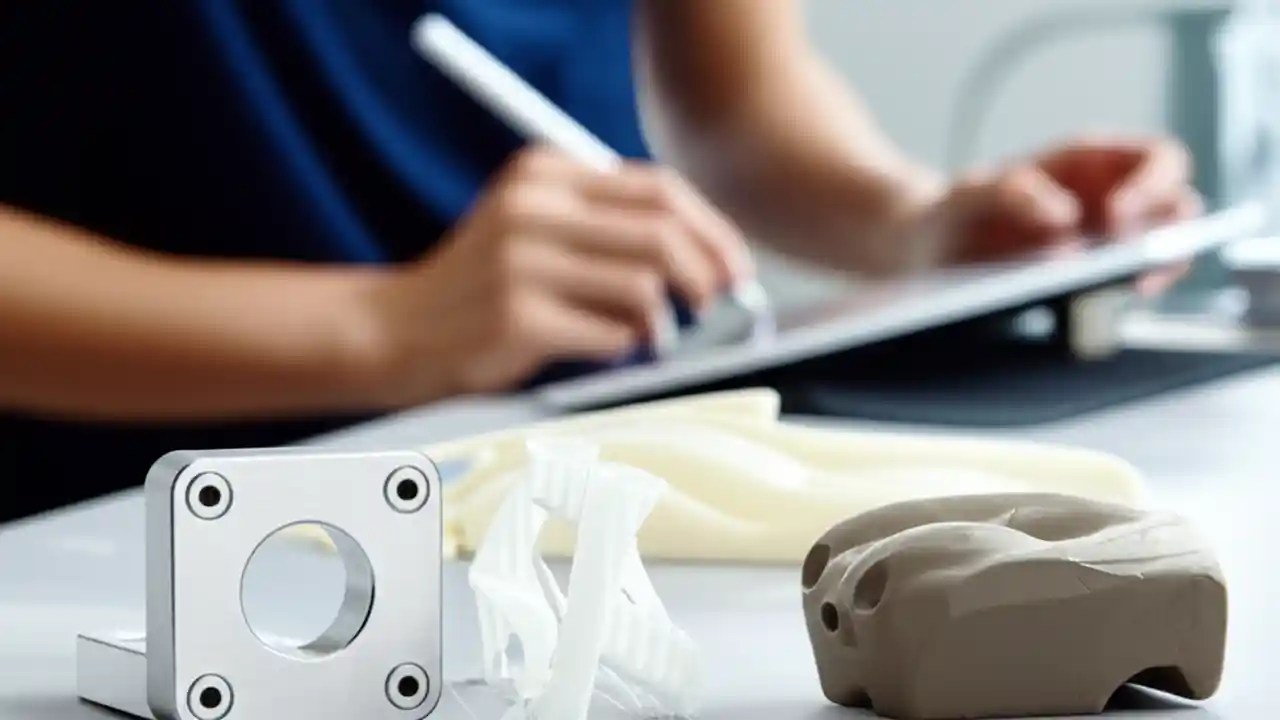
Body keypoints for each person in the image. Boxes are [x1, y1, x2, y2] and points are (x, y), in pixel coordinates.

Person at [0, 1, 1199, 517]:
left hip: (589, 478)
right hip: (125, 533)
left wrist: (918, 220)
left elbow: (741, 99)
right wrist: (386, 330)